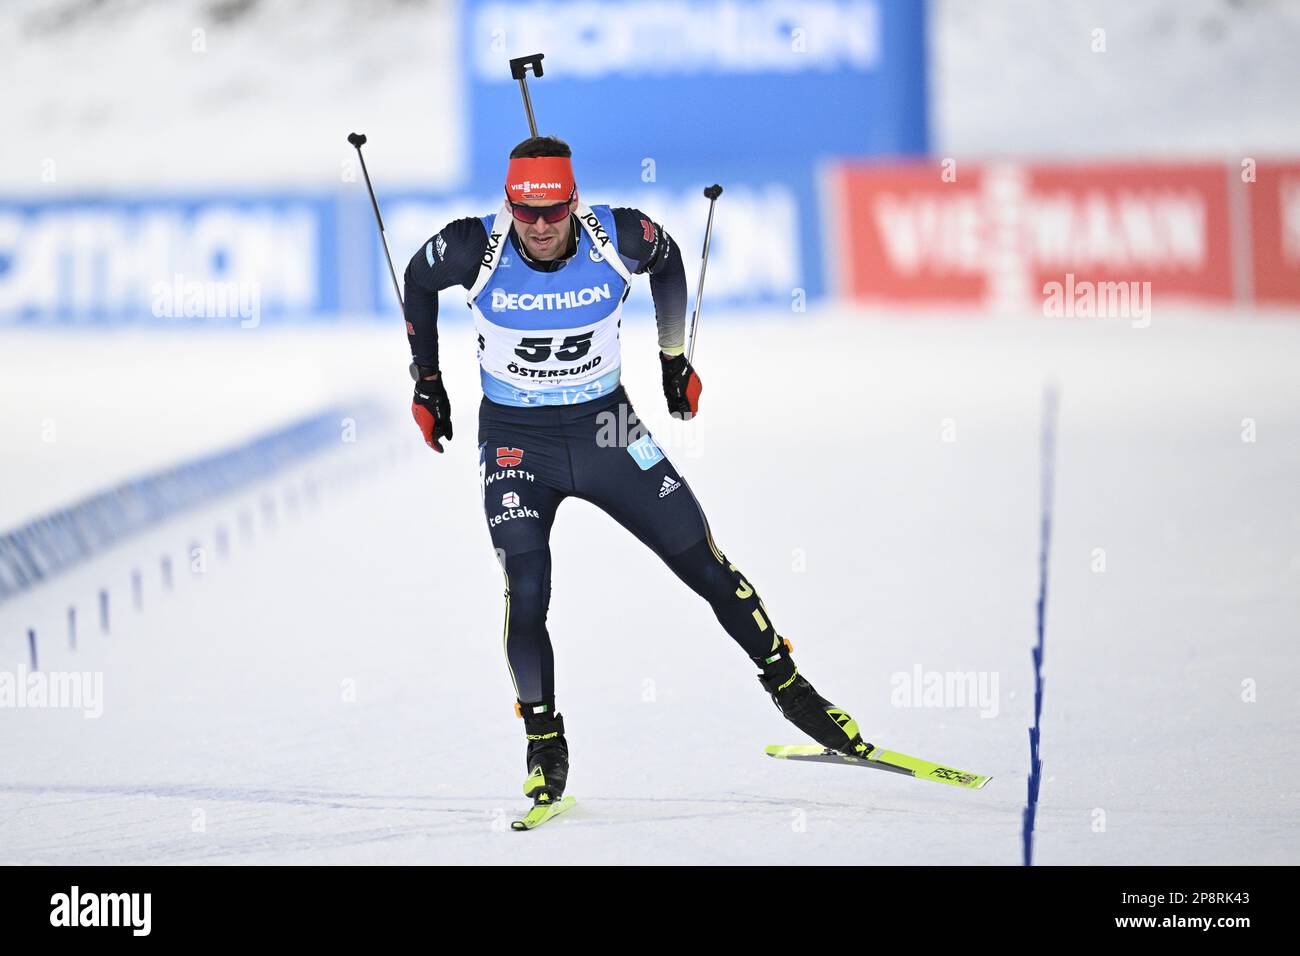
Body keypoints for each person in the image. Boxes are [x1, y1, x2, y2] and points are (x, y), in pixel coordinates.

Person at [402, 135, 869, 810]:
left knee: (703, 560)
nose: (540, 227)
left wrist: (673, 360)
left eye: (553, 211)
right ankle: (544, 742)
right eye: (526, 212)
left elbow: (669, 258)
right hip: (516, 442)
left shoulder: (615, 235)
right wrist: (427, 381)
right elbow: (417, 279)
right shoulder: (473, 246)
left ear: (574, 200)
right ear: (508, 203)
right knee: (526, 588)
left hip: (606, 428)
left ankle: (794, 691)